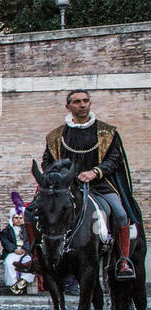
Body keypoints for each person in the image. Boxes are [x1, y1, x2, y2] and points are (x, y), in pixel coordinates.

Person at [23, 89, 141, 281]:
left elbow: (114, 158)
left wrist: (95, 172)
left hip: (100, 185)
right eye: (77, 101)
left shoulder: (107, 132)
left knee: (120, 213)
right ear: (68, 106)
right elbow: (46, 162)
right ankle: (34, 257)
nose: (82, 104)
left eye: (86, 101)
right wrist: (61, 176)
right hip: (66, 187)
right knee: (30, 212)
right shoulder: (55, 136)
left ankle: (123, 261)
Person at [1, 198, 35, 295]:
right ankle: (12, 285)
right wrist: (14, 249)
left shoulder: (28, 229)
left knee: (31, 264)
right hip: (13, 252)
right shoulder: (7, 230)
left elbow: (30, 240)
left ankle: (22, 283)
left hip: (25, 252)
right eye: (16, 218)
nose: (18, 220)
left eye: (21, 218)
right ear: (12, 219)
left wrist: (24, 248)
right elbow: (5, 241)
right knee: (9, 263)